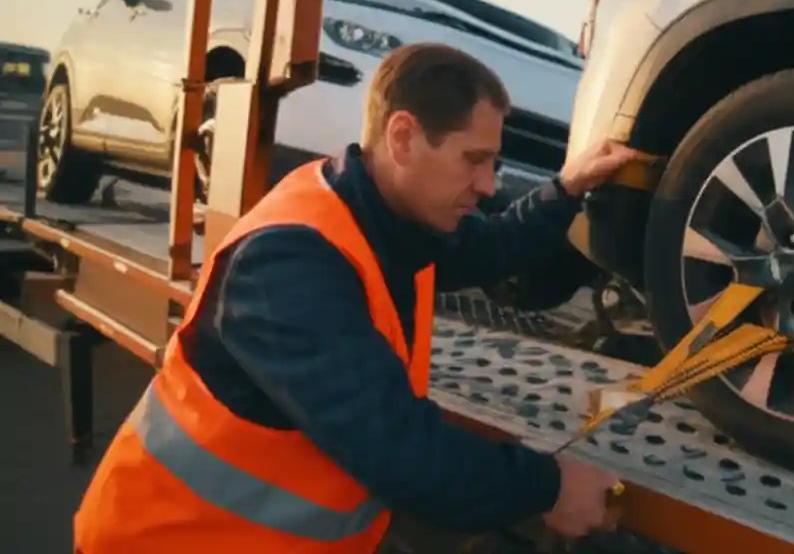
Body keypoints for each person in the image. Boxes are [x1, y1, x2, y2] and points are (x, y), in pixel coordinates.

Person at [73, 43, 640, 552]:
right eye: (474, 159)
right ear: (402, 137)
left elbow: (493, 248)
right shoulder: (286, 266)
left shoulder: (394, 220)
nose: (490, 185)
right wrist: (549, 486)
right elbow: (399, 450)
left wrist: (568, 188)